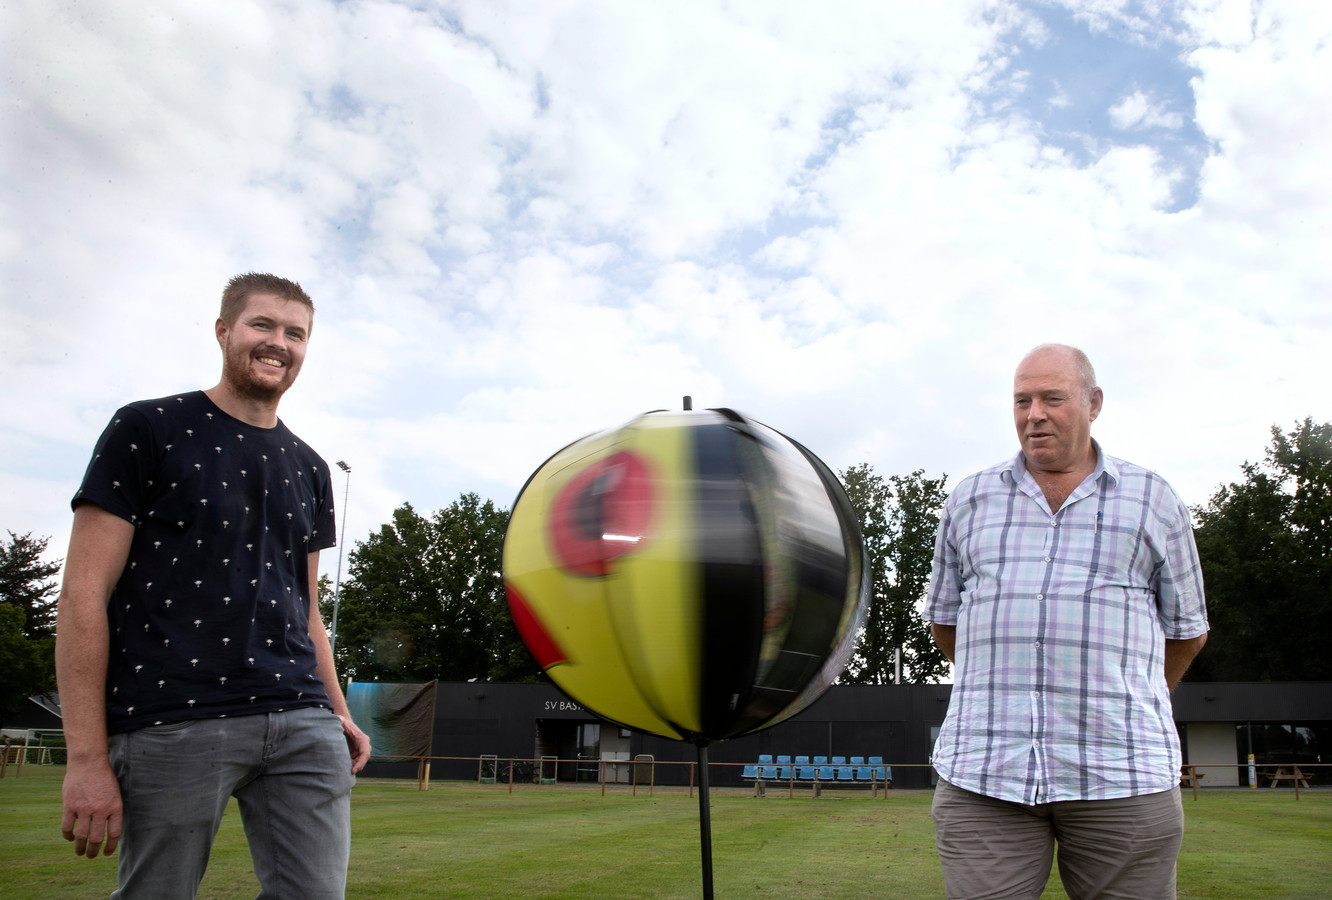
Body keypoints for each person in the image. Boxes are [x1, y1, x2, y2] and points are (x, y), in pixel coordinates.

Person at [56, 273, 371, 899]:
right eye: (262, 325)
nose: (278, 342)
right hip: (173, 719)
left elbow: (309, 613)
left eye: (295, 333)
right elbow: (82, 597)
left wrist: (337, 710)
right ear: (224, 330)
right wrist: (86, 758)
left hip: (302, 720)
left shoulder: (311, 468)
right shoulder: (147, 428)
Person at [923, 343, 1209, 900]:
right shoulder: (969, 499)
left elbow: (1188, 630)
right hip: (985, 776)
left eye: (1052, 398)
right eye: (1022, 400)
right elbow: (945, 622)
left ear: (1093, 402)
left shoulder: (1154, 499)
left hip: (1121, 775)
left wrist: (1126, 694)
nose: (1034, 414)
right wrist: (1006, 684)